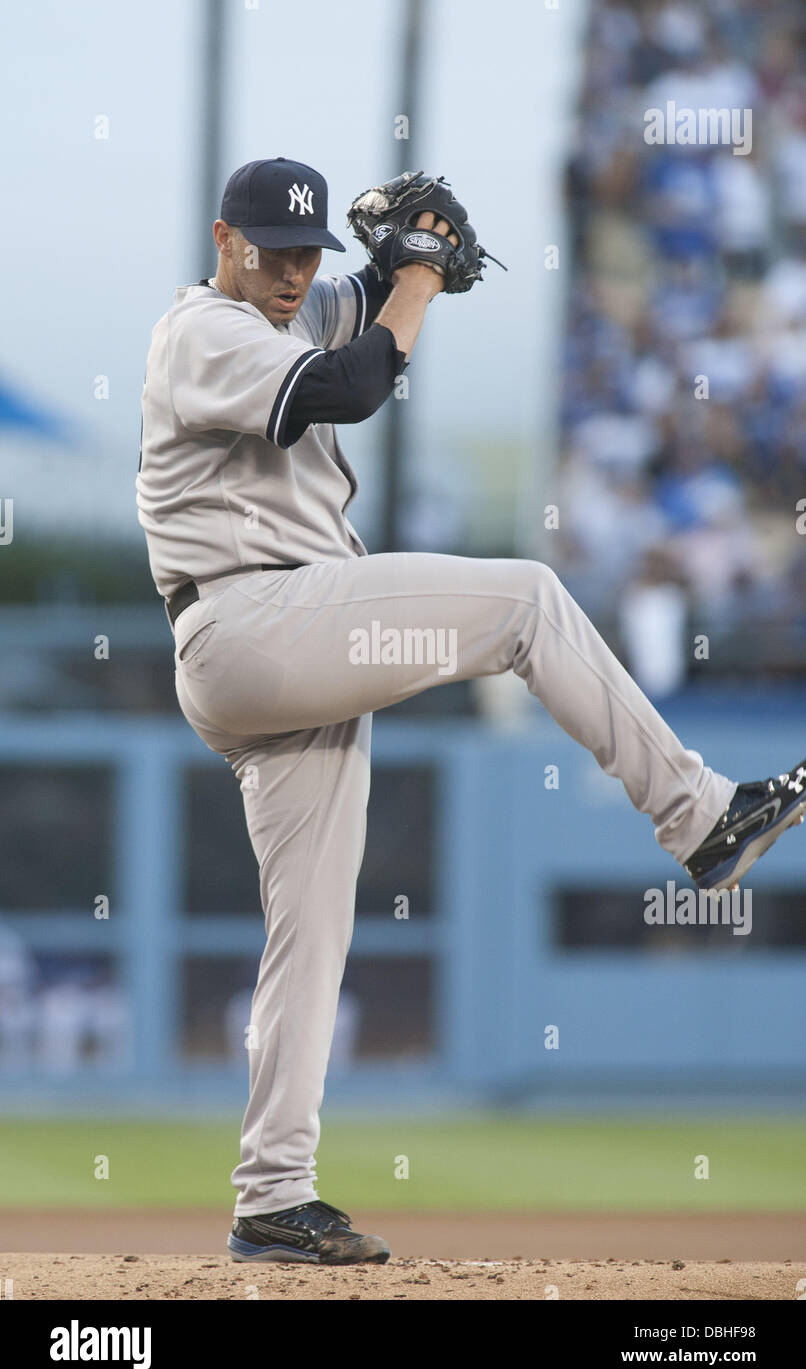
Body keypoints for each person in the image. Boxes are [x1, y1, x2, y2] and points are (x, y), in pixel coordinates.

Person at [137, 157, 806, 1266]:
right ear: (224, 241)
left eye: (306, 251)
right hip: (249, 623)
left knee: (312, 931)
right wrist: (416, 274)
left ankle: (273, 1195)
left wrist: (412, 261)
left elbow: (365, 312)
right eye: (272, 250)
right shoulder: (202, 329)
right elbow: (350, 387)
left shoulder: (291, 307)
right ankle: (696, 815)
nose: (294, 271)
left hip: (285, 650)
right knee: (526, 600)